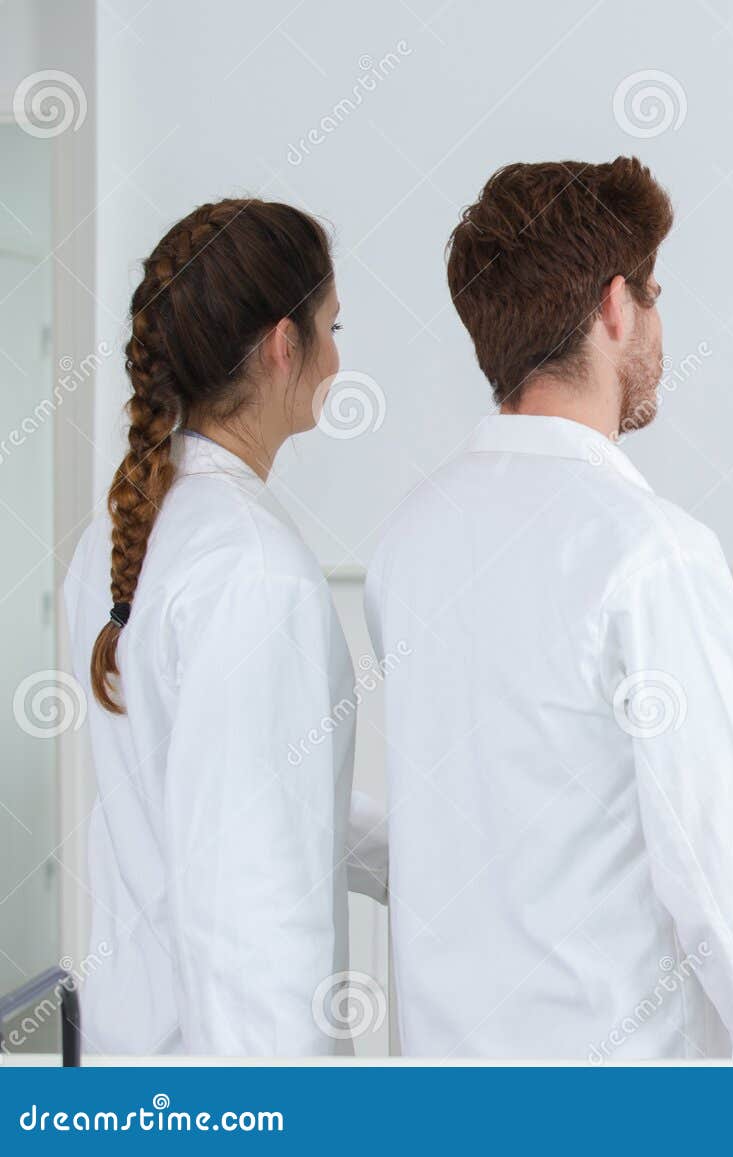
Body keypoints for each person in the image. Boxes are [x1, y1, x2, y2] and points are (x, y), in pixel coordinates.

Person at [365, 157, 733, 1060]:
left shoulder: (409, 540)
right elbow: (732, 887)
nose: (658, 323)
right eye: (653, 294)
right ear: (616, 307)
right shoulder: (649, 554)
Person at [63, 199, 386, 1056]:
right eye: (332, 326)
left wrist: (424, 857)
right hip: (230, 1079)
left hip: (139, 1052)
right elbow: (251, 919)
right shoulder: (250, 568)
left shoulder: (116, 536)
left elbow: (238, 791)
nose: (339, 355)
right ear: (286, 345)